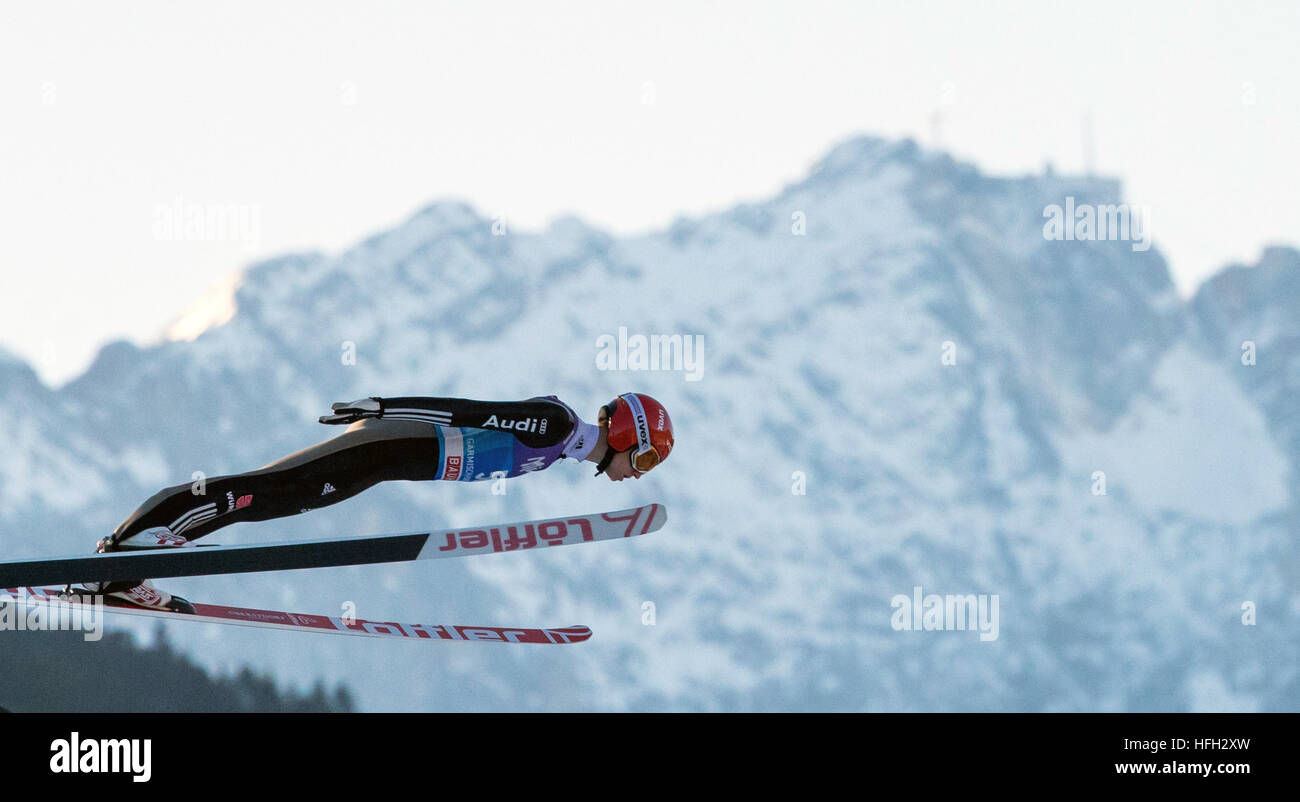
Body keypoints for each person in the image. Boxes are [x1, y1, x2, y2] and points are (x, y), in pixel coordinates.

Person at [77, 393, 674, 613]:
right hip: (389, 445)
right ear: (626, 436)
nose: (634, 475)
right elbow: (464, 410)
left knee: (266, 498)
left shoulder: (563, 448)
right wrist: (385, 409)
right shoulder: (557, 424)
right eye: (643, 460)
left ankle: (129, 566)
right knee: (265, 491)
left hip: (386, 465)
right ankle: (124, 551)